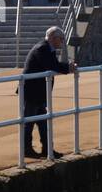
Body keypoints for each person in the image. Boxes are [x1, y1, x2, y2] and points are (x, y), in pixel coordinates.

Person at [20, 26, 76, 159]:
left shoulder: (48, 49)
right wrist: (68, 67)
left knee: (43, 122)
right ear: (52, 38)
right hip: (32, 92)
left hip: (39, 92)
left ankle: (47, 149)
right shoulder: (42, 48)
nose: (62, 42)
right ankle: (26, 149)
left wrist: (66, 67)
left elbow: (53, 64)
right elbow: (51, 66)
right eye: (61, 39)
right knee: (29, 121)